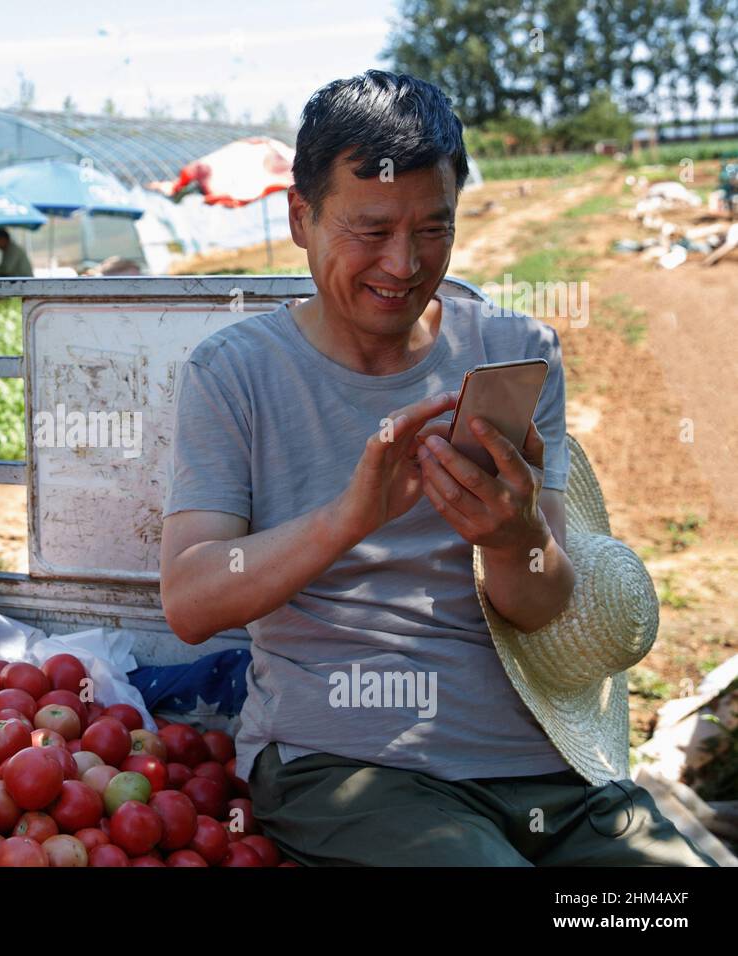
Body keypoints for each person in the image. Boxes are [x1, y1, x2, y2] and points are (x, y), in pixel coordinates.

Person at [159, 70, 717, 867]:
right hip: (353, 770)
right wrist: (349, 517)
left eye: (433, 229)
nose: (404, 263)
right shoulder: (233, 375)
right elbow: (188, 600)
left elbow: (541, 606)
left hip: (548, 771)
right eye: (372, 228)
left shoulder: (514, 355)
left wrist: (513, 536)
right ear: (299, 218)